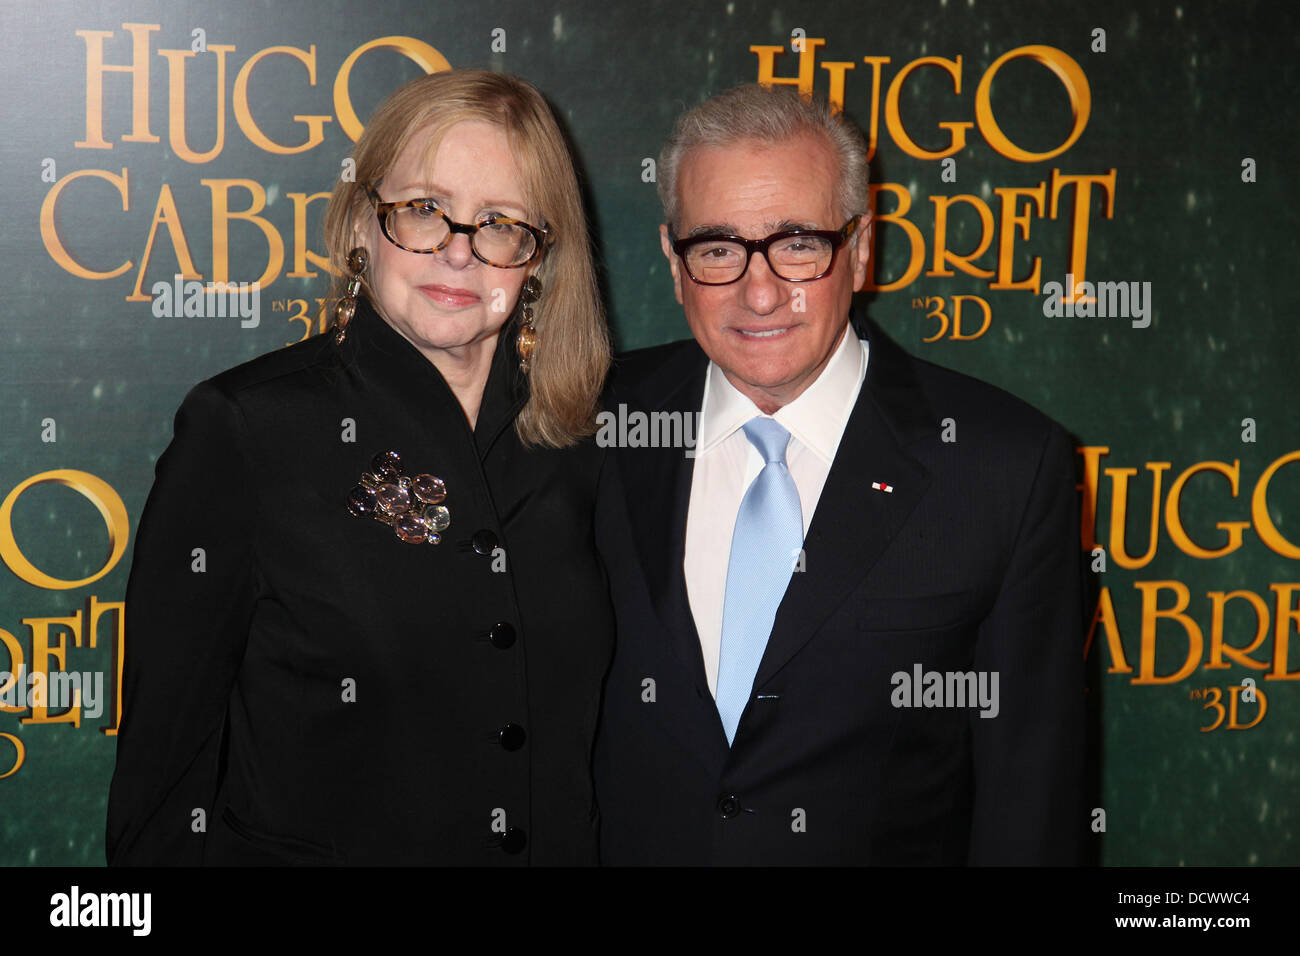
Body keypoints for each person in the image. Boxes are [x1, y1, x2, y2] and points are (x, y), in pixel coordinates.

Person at [106, 69, 613, 865]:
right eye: (422, 210)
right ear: (361, 224)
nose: (458, 249)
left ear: (540, 256)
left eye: (500, 222)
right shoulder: (245, 430)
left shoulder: (580, 441)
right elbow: (160, 804)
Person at [592, 84, 1086, 865]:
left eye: (797, 243)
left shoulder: (1005, 467)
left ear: (859, 248)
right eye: (718, 247)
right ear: (672, 259)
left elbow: (1031, 804)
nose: (759, 291)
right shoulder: (587, 423)